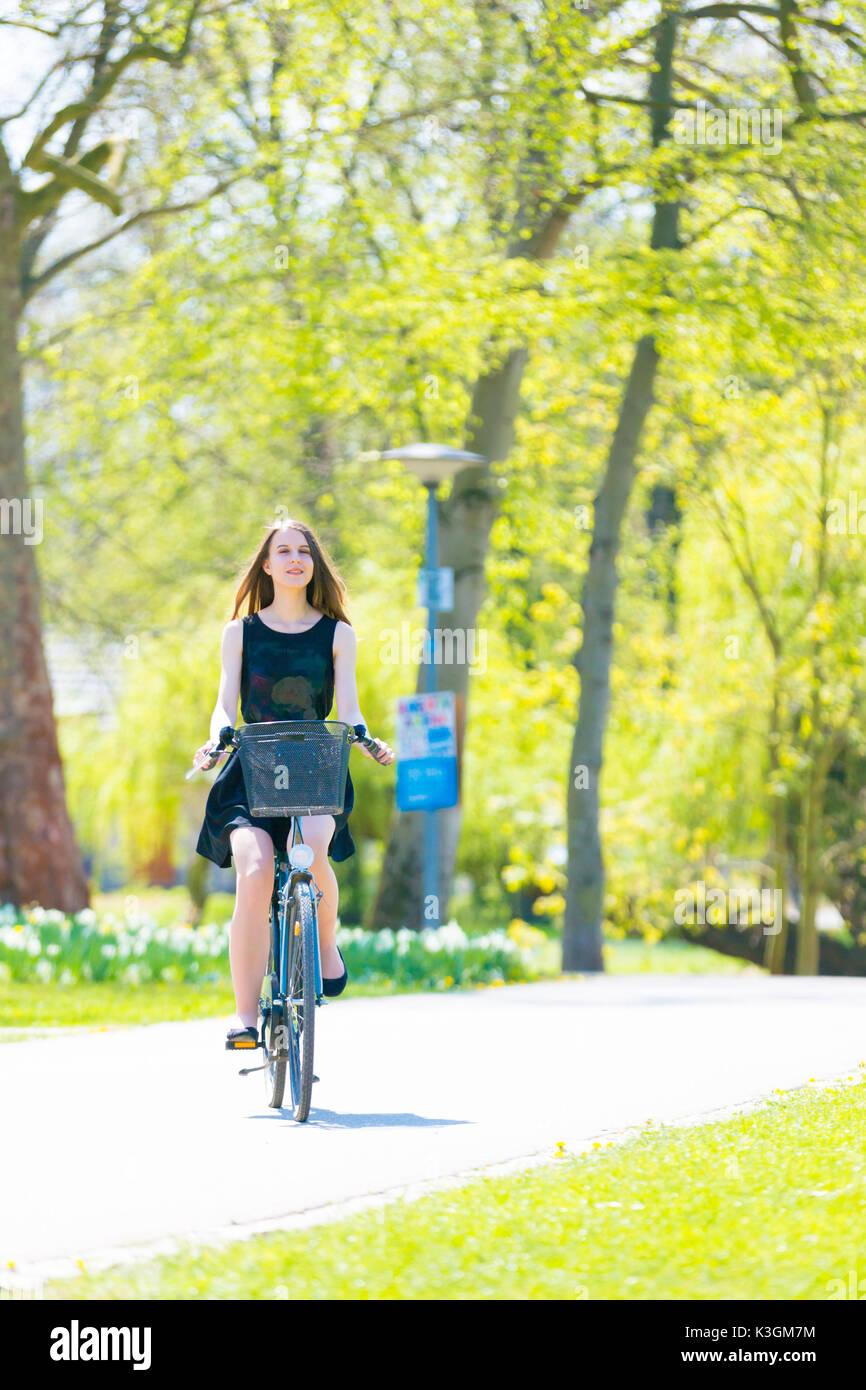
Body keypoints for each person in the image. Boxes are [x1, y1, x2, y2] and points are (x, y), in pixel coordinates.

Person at [192, 518, 394, 1047]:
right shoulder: (239, 632)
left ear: (313, 564)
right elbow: (224, 704)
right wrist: (216, 740)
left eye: (304, 551)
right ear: (267, 564)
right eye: (283, 551)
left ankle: (326, 945)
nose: (295, 559)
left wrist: (367, 740)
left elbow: (348, 710)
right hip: (249, 770)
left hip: (314, 768)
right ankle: (244, 1019)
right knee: (255, 870)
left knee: (313, 846)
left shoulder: (337, 634)